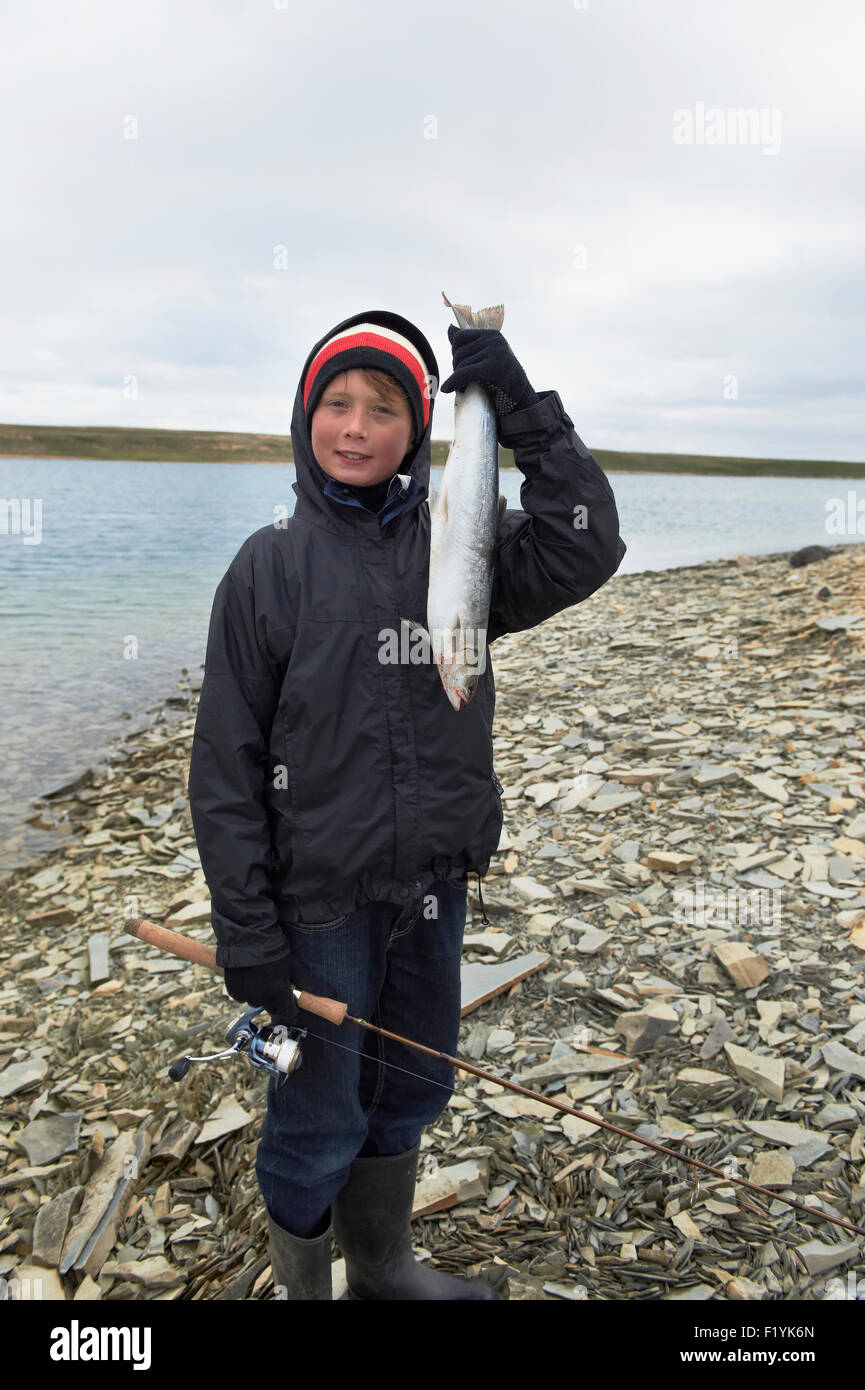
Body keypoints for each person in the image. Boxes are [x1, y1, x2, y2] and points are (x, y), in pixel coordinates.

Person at [187, 306, 627, 1300]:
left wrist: (518, 409)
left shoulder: (459, 542)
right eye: (334, 404)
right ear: (305, 418)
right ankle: (308, 1289)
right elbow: (224, 766)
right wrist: (245, 929)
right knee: (317, 1111)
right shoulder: (267, 566)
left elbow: (588, 541)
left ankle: (382, 1269)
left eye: (382, 408)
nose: (354, 427)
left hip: (432, 881)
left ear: (416, 429)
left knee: (416, 1080)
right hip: (318, 904)